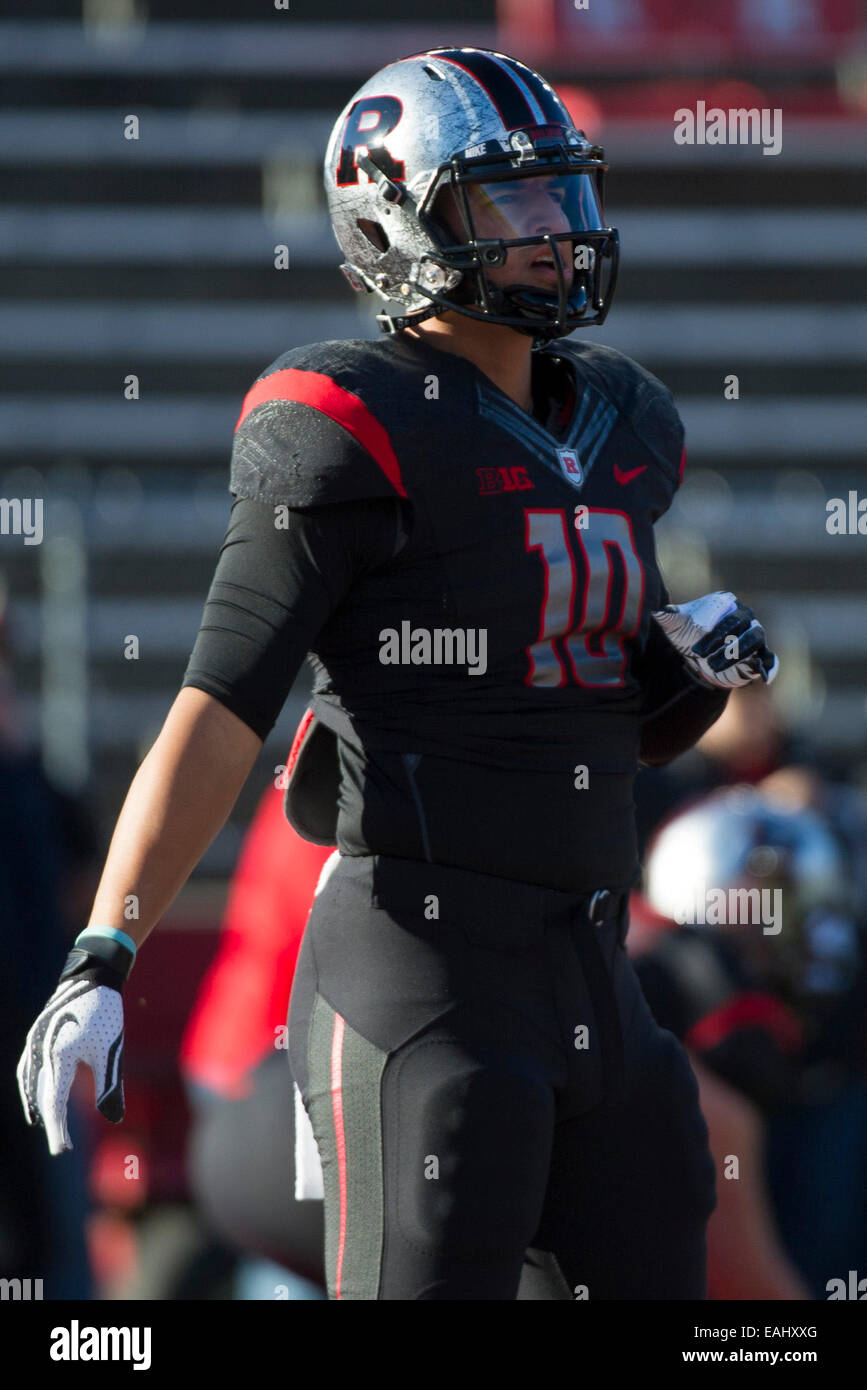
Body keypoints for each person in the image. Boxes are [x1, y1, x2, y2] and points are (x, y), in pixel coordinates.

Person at [17, 47, 779, 1300]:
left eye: (561, 197)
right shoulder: (350, 416)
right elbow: (217, 707)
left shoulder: (623, 422)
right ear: (396, 216)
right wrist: (107, 948)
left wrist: (676, 673)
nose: (554, 233)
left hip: (592, 964)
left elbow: (596, 729)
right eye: (512, 203)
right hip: (425, 972)